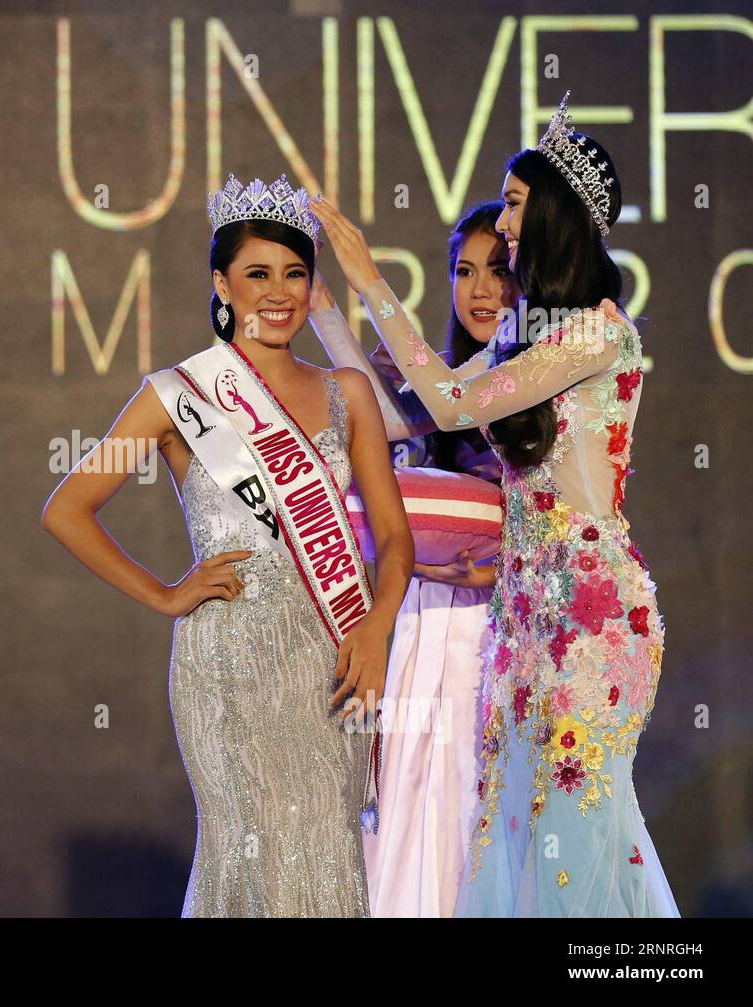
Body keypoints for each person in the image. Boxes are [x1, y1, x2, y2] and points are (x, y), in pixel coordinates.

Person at [310, 92, 680, 917]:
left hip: (591, 621)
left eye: (513, 204)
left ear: (550, 210)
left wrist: (371, 278)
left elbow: (442, 403)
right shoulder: (533, 340)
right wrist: (340, 311)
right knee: (516, 839)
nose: (503, 223)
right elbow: (429, 403)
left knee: (574, 839)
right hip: (518, 626)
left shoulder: (597, 334)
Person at [41, 173, 414, 916]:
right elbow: (68, 507)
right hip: (228, 669)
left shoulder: (350, 391)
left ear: (311, 286)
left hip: (332, 659)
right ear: (222, 282)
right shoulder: (174, 396)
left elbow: (395, 534)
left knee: (325, 849)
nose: (278, 292)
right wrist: (165, 593)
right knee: (250, 847)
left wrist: (377, 622)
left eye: (294, 274)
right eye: (257, 274)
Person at [307, 201, 517, 916]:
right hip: (423, 622)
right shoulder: (442, 380)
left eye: (501, 270)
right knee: (412, 803)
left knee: (470, 802)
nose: (480, 289)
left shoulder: (530, 381)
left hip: (497, 636)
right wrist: (325, 306)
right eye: (464, 271)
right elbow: (382, 417)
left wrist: (504, 565)